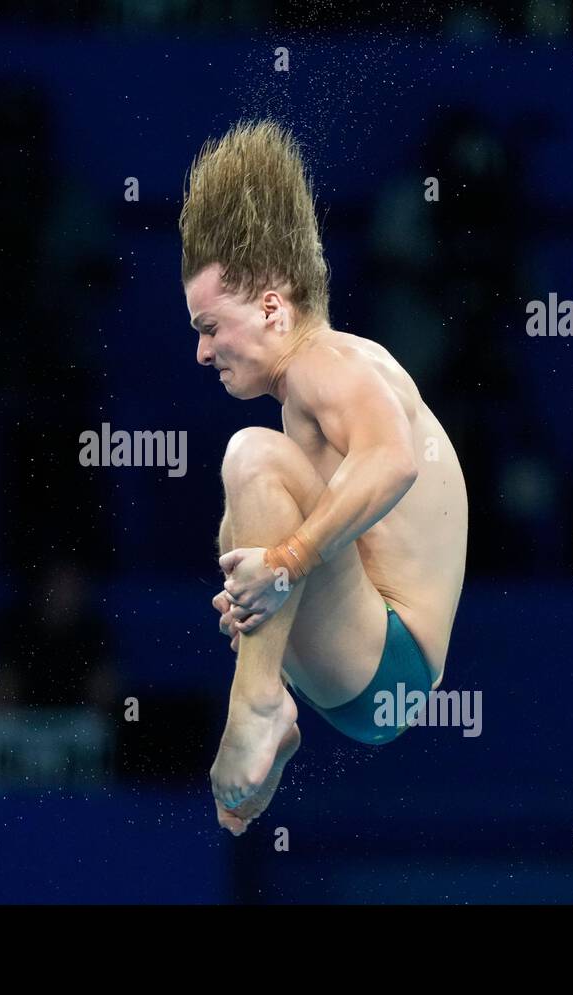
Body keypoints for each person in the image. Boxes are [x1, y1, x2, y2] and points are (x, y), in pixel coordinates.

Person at [178, 120, 469, 835]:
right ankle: (267, 686)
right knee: (246, 503)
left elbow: (392, 460)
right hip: (370, 669)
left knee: (251, 458)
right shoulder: (306, 388)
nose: (201, 351)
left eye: (212, 326)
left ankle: (258, 702)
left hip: (392, 660)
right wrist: (258, 590)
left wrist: (287, 562)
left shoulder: (329, 363)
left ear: (273, 307)